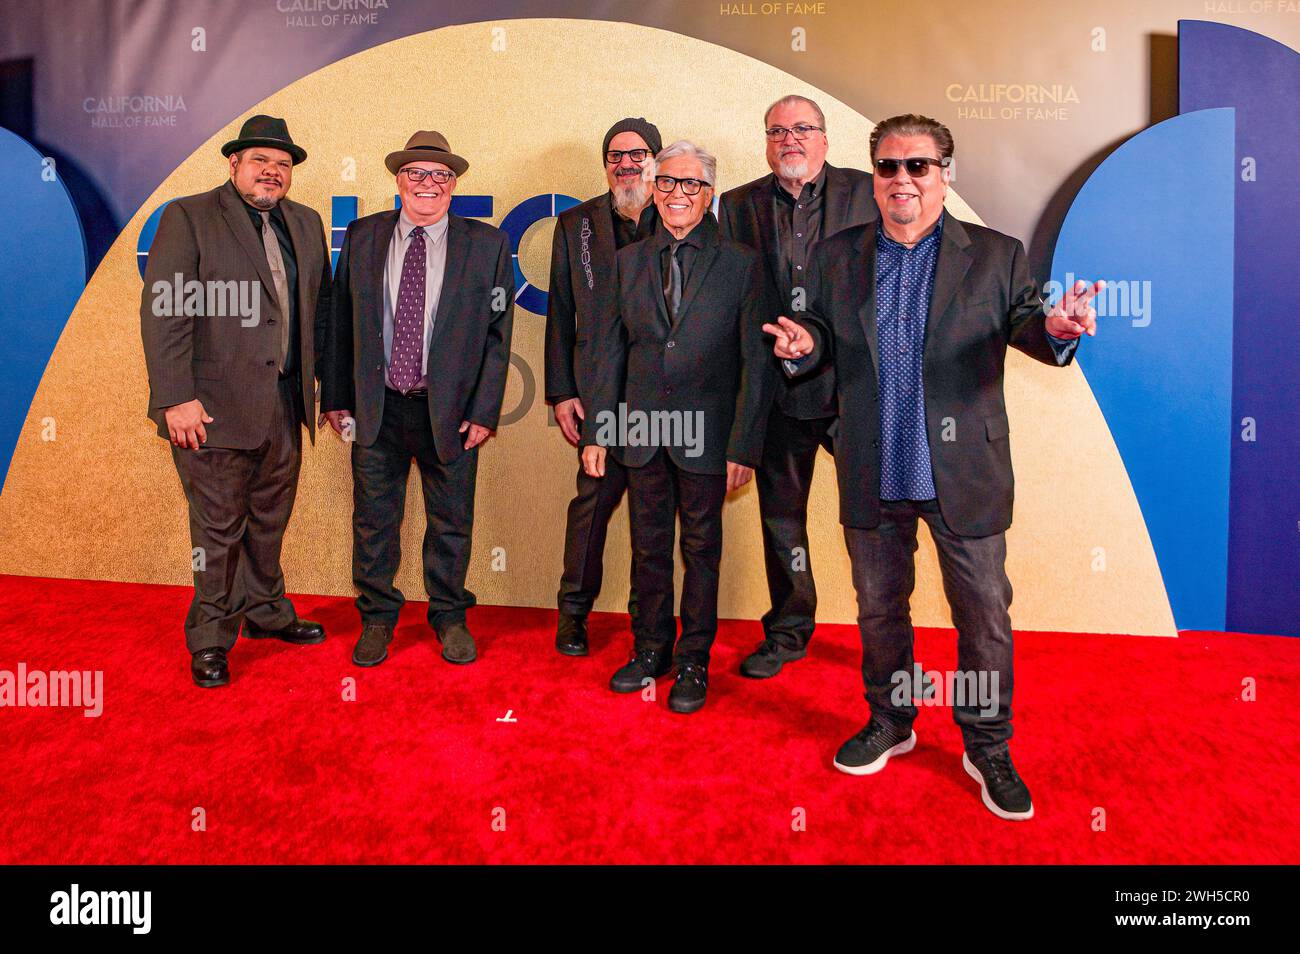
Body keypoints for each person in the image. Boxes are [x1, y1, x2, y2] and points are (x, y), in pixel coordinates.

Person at [766, 114, 1103, 820]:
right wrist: (803, 348)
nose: (902, 181)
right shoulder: (836, 256)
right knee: (879, 608)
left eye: (918, 166)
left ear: (945, 173)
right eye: (888, 168)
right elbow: (823, 340)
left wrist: (1058, 330)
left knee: (982, 618)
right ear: (875, 178)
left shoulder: (995, 253)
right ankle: (892, 719)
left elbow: (1026, 325)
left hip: (962, 475)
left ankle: (988, 745)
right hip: (871, 463)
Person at [140, 114, 332, 688]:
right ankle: (210, 636)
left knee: (270, 518)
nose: (271, 173)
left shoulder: (304, 222)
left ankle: (266, 612)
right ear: (234, 165)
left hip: (284, 401)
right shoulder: (189, 217)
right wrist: (175, 398)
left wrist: (323, 392)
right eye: (260, 162)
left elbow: (318, 315)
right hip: (210, 409)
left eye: (282, 165)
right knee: (219, 529)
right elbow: (167, 309)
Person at [582, 141, 770, 714]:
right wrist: (598, 430)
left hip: (709, 437)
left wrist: (744, 444)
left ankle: (694, 660)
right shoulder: (629, 261)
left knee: (702, 549)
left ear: (708, 193)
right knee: (648, 548)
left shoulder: (742, 263)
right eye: (666, 183)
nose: (677, 194)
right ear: (654, 189)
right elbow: (609, 351)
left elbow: (755, 364)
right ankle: (650, 649)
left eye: (690, 184)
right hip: (640, 432)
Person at [321, 131, 514, 668]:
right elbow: (339, 322)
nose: (427, 184)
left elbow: (499, 335)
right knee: (374, 521)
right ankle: (378, 617)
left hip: (450, 412)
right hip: (376, 407)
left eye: (440, 176)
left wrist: (483, 411)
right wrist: (336, 396)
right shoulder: (362, 236)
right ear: (398, 181)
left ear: (454, 184)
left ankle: (450, 615)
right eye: (416, 174)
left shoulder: (487, 244)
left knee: (452, 521)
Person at [718, 95, 877, 679]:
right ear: (766, 142)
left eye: (802, 129)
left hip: (855, 388)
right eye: (778, 131)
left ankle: (883, 633)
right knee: (781, 520)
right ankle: (788, 630)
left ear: (826, 138)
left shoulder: (868, 192)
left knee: (871, 517)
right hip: (777, 389)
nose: (790, 140)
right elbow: (735, 297)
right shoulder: (736, 205)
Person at [545, 118, 663, 657]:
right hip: (597, 395)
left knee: (654, 515)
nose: (626, 164)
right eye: (615, 156)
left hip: (664, 400)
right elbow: (561, 314)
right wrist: (562, 391)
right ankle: (573, 615)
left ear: (657, 160)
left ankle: (648, 624)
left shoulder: (682, 215)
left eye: (637, 154)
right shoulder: (576, 224)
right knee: (590, 511)